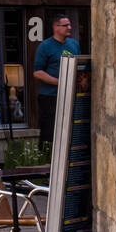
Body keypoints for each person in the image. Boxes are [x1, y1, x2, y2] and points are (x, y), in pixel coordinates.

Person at [32, 15, 80, 144]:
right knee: (49, 130)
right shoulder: (45, 46)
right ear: (55, 27)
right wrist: (61, 83)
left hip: (70, 95)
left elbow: (79, 66)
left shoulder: (74, 44)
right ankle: (47, 160)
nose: (69, 28)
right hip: (49, 96)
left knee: (70, 130)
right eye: (65, 25)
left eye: (70, 25)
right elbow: (37, 73)